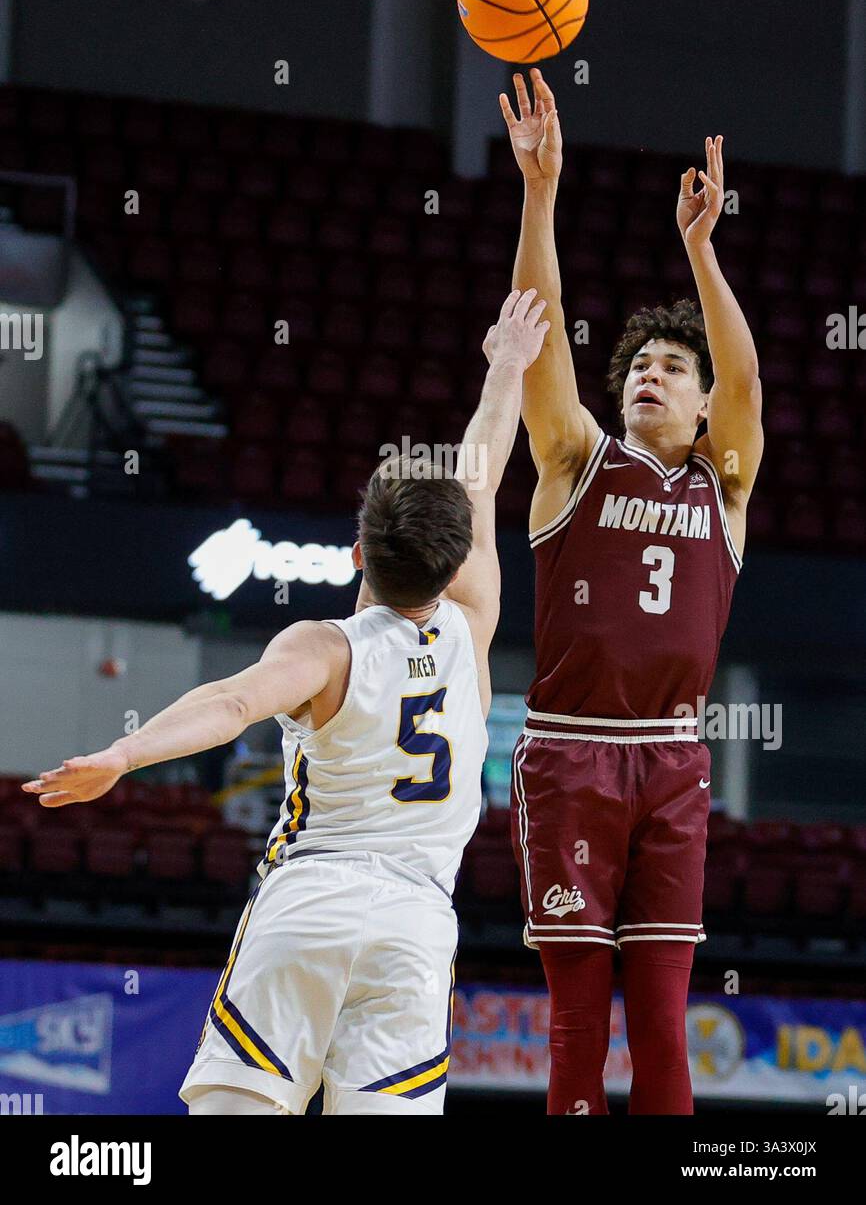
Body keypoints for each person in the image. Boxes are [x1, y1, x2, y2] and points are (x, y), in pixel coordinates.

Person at [22, 288, 549, 1117]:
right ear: (450, 568)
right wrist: (508, 366)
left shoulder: (325, 647)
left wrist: (124, 756)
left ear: (354, 554)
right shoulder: (471, 626)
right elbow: (481, 470)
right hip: (417, 926)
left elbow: (229, 704)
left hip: (311, 901)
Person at [500, 69, 763, 1115]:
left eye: (669, 367)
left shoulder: (720, 482)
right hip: (569, 748)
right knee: (575, 1023)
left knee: (659, 1020)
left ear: (699, 409)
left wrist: (700, 253)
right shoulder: (573, 462)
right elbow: (543, 324)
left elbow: (746, 384)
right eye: (635, 367)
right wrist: (538, 191)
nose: (647, 374)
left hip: (672, 756)